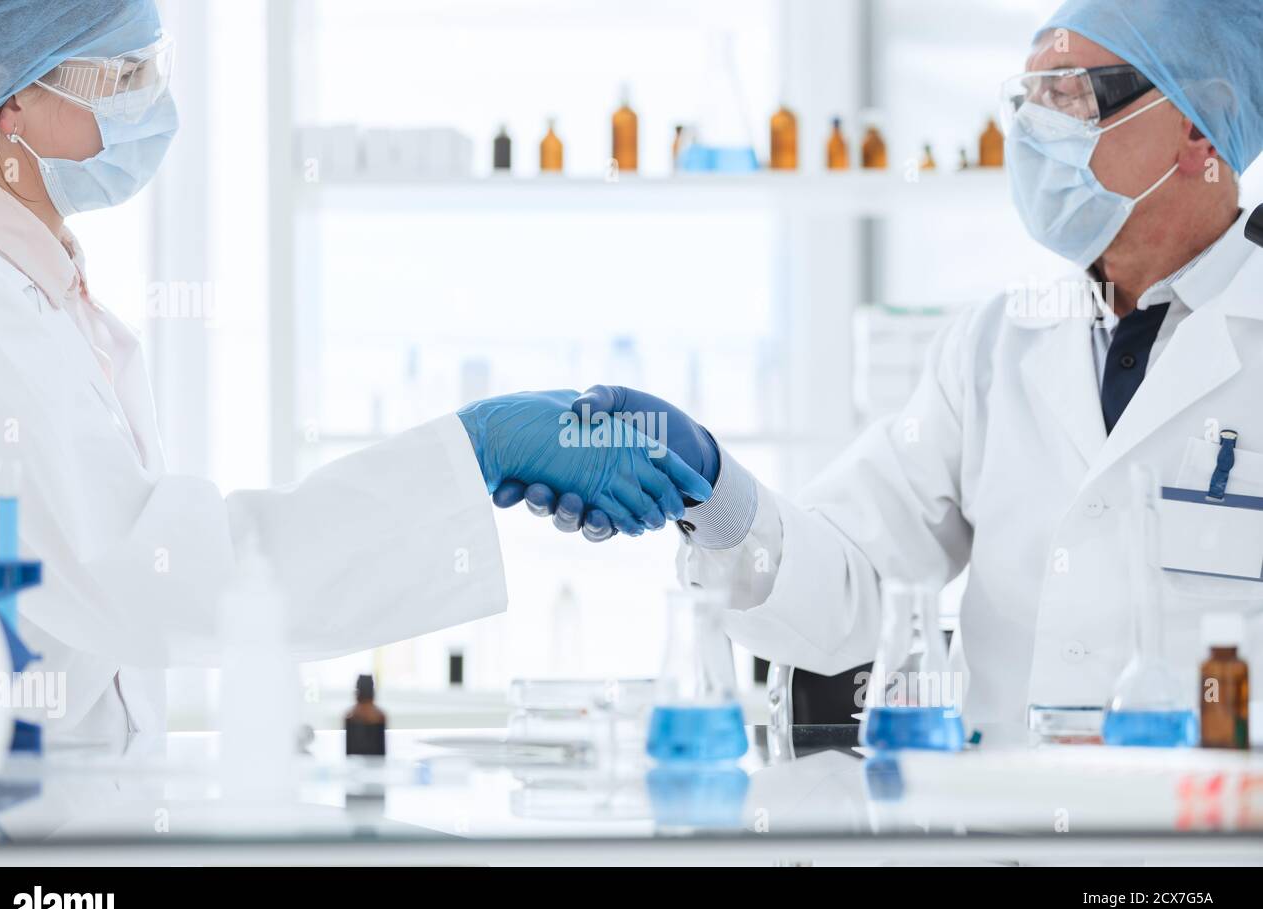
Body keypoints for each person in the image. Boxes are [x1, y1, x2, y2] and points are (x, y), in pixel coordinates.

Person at [0, 0, 710, 742]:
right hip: (26, 822)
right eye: (123, 75)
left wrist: (469, 457)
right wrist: (474, 451)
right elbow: (160, 575)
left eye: (155, 68)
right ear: (11, 99)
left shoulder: (37, 284)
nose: (155, 105)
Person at [510, 0, 1263, 731]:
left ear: (1197, 129)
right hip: (1016, 835)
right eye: (1027, 100)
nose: (1036, 132)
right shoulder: (996, 346)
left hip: (1217, 839)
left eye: (1069, 97)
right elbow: (849, 590)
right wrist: (710, 489)